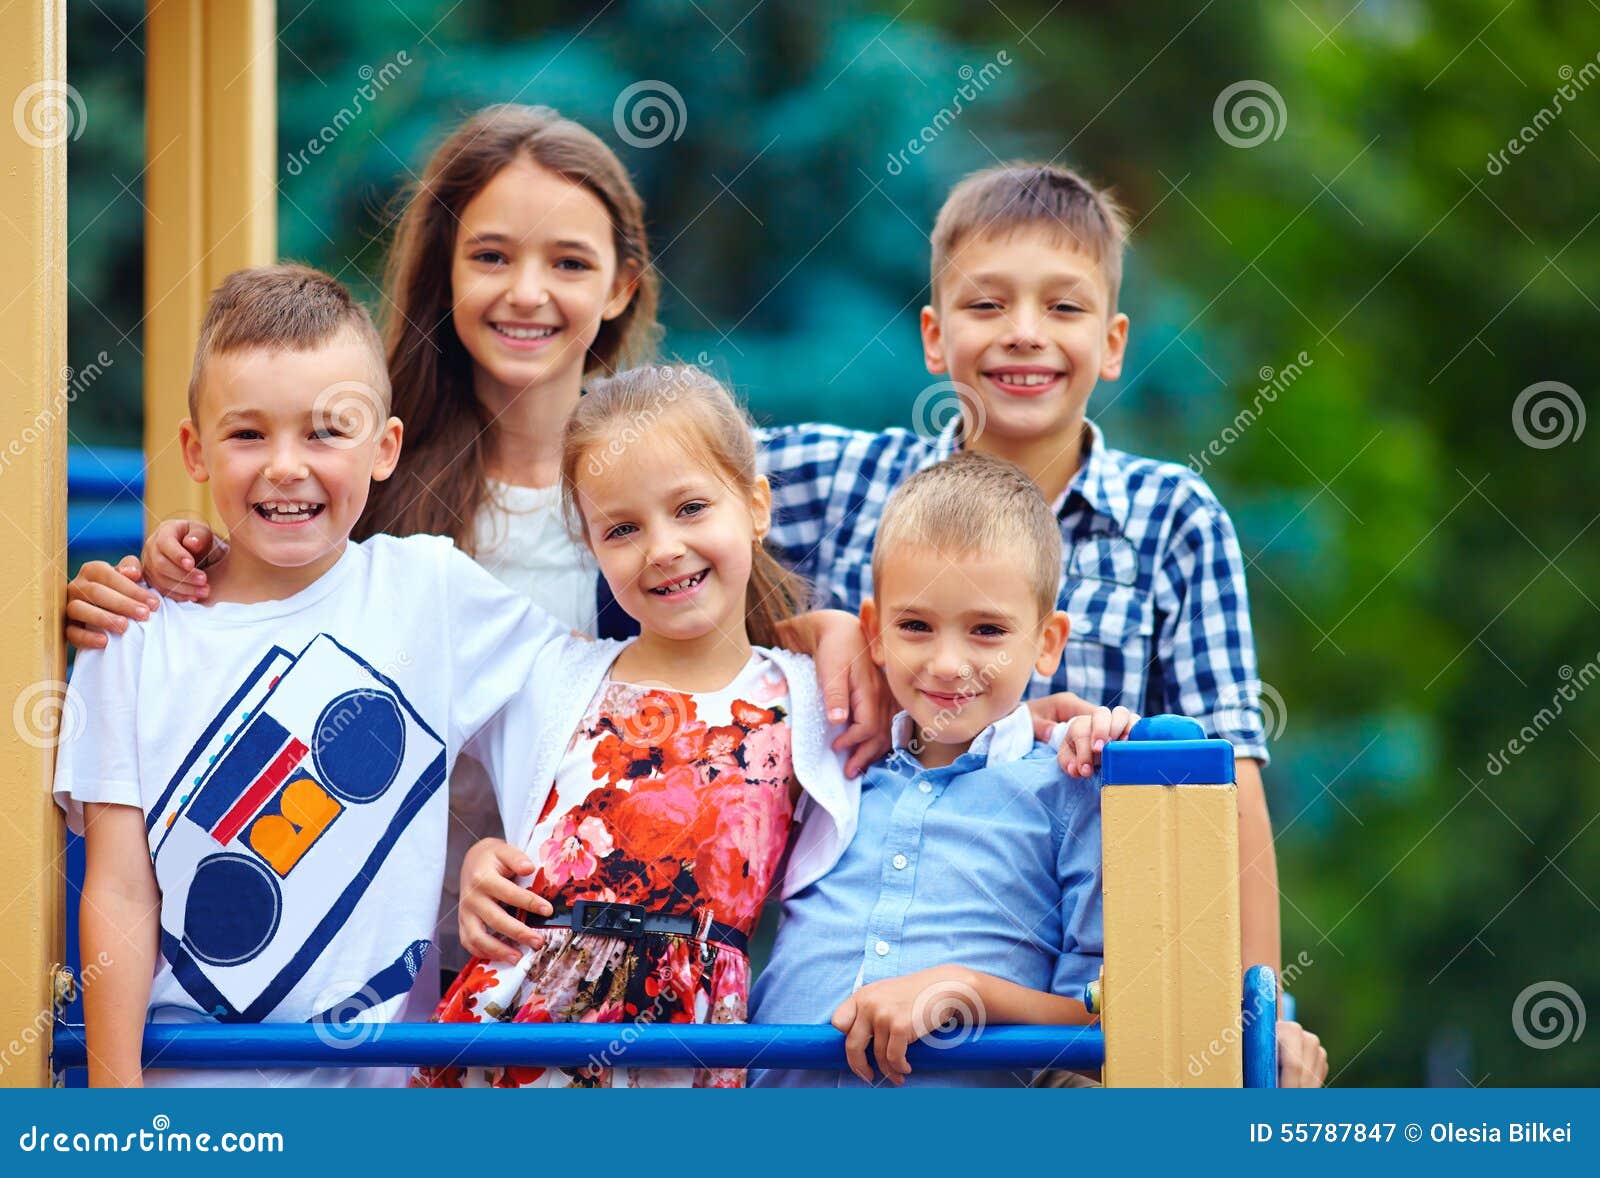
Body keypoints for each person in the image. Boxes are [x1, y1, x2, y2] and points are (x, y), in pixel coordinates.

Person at [61, 104, 887, 979]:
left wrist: (818, 630)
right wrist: (170, 569)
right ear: (442, 274)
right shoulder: (364, 479)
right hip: (370, 967)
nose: (526, 292)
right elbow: (271, 605)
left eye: (567, 262)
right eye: (490, 256)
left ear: (619, 286)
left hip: (589, 969)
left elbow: (722, 658)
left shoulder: (672, 485)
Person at [757, 162, 1286, 984]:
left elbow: (1231, 783)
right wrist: (811, 629)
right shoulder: (845, 487)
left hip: (1082, 1006)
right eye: (986, 304)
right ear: (936, 336)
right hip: (843, 981)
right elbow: (661, 516)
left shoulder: (1172, 518)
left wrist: (1261, 1019)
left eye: (1064, 306)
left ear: (1112, 344)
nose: (1025, 332)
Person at [55, 264, 570, 1087]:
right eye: (248, 434)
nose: (286, 466)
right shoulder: (133, 635)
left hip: (388, 1100)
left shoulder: (430, 591)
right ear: (196, 450)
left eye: (327, 431)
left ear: (384, 448)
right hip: (200, 1092)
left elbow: (597, 697)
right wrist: (117, 1112)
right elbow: (118, 891)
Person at [411, 364, 856, 1089]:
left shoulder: (814, 698)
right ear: (590, 547)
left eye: (690, 509)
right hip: (513, 1037)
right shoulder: (550, 673)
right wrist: (478, 864)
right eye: (623, 528)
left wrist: (1048, 722)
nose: (662, 548)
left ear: (756, 506)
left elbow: (949, 736)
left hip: (683, 1055)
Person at [748, 452, 1117, 1087]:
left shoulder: (1072, 787)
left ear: (1048, 642)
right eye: (915, 625)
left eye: (987, 630)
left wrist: (965, 990)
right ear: (875, 633)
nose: (947, 663)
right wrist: (820, 629)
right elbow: (713, 658)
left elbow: (1106, 1027)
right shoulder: (831, 760)